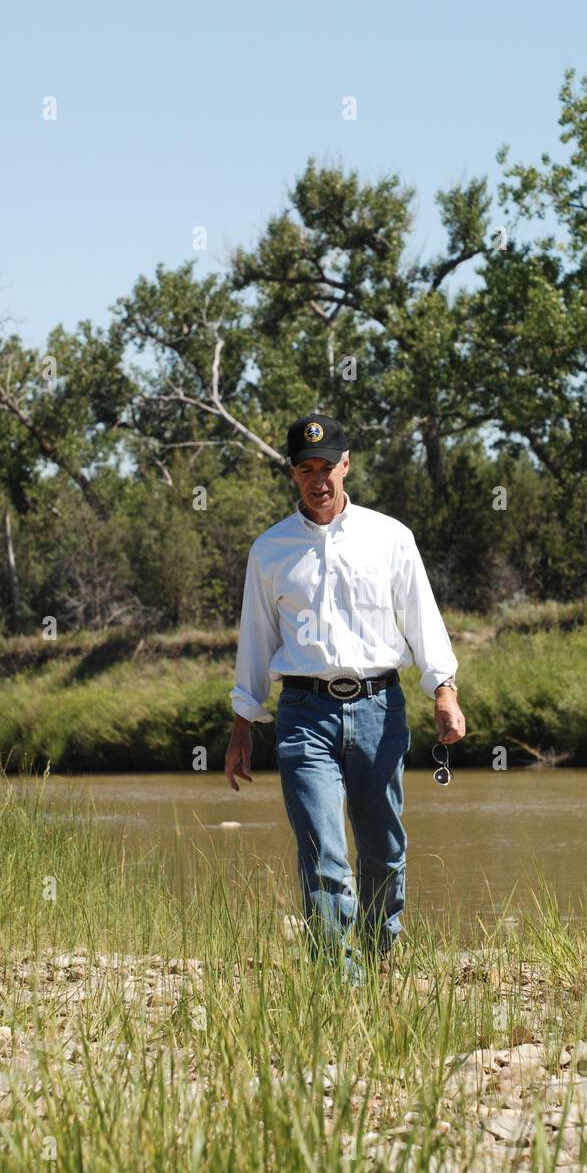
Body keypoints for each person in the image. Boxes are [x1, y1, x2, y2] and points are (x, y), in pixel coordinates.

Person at [225, 412, 466, 980]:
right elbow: (256, 640)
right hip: (303, 714)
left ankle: (380, 960)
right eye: (306, 469)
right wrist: (242, 724)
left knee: (383, 850)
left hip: (380, 708)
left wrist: (444, 690)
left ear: (346, 464)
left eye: (327, 466)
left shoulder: (390, 538)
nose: (319, 479)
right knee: (324, 854)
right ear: (293, 474)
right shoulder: (271, 550)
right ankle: (340, 983)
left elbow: (422, 619)